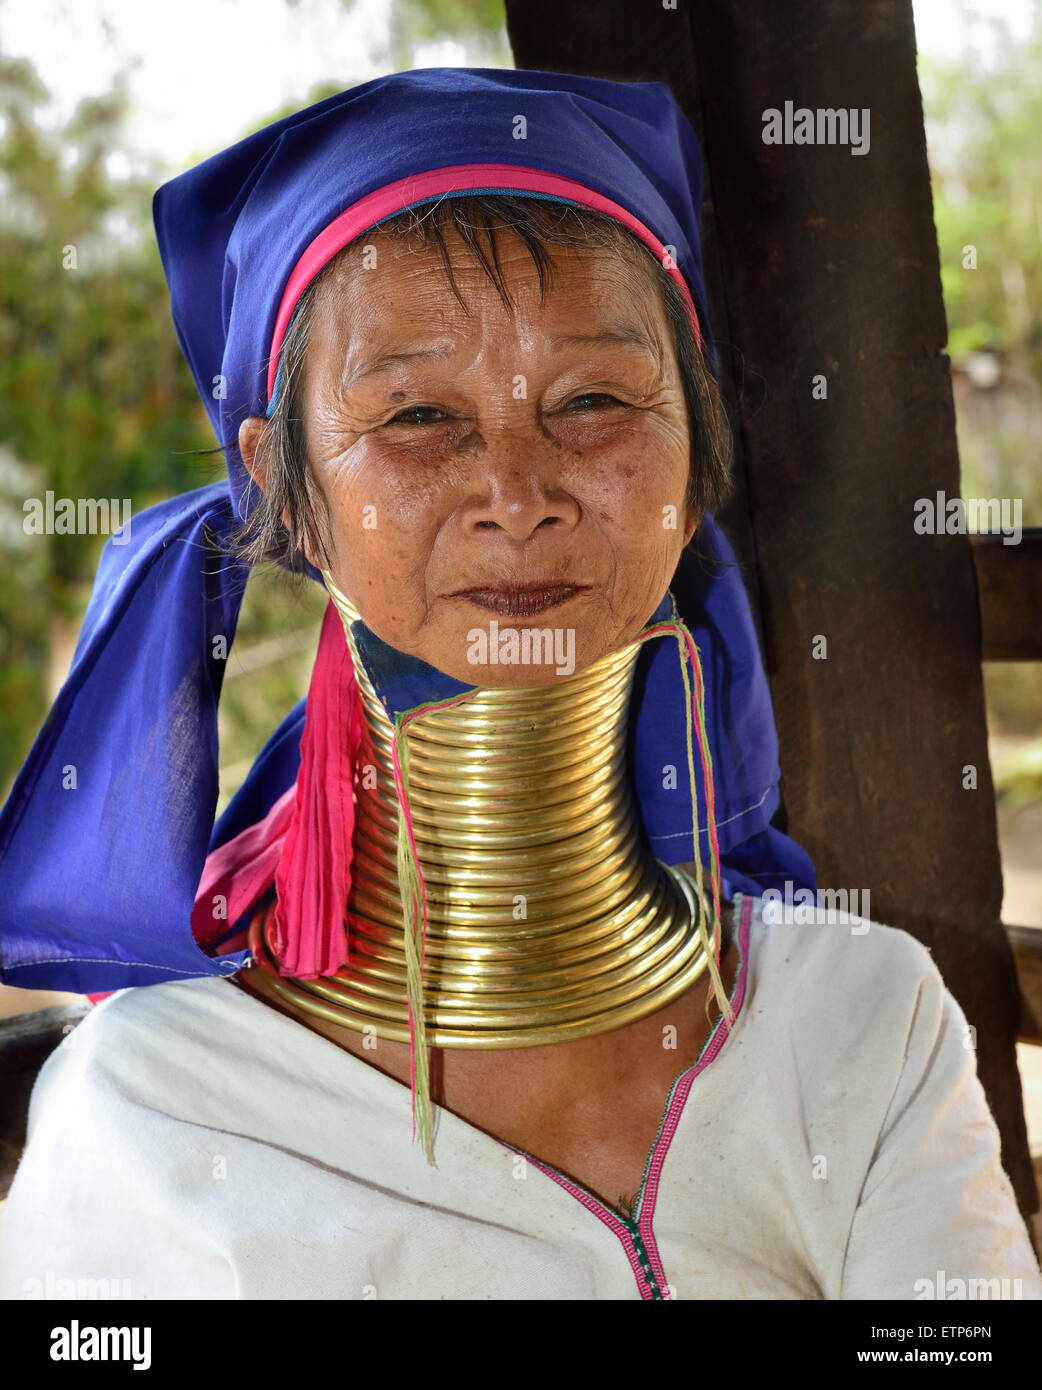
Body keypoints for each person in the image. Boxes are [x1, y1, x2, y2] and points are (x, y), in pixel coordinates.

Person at [0, 68, 1038, 1301]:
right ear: (282, 485)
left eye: (594, 400)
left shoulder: (863, 1016)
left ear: (698, 440)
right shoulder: (147, 1108)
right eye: (417, 414)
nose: (519, 490)